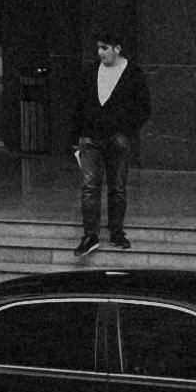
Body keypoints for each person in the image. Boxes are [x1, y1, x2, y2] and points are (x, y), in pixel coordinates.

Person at [72, 31, 150, 258]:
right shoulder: (90, 72)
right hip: (90, 137)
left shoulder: (133, 74)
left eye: (104, 48)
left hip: (118, 137)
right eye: (98, 48)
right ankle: (90, 235)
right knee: (89, 187)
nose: (100, 53)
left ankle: (116, 231)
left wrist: (125, 128)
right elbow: (78, 104)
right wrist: (75, 136)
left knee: (117, 187)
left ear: (117, 48)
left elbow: (144, 107)